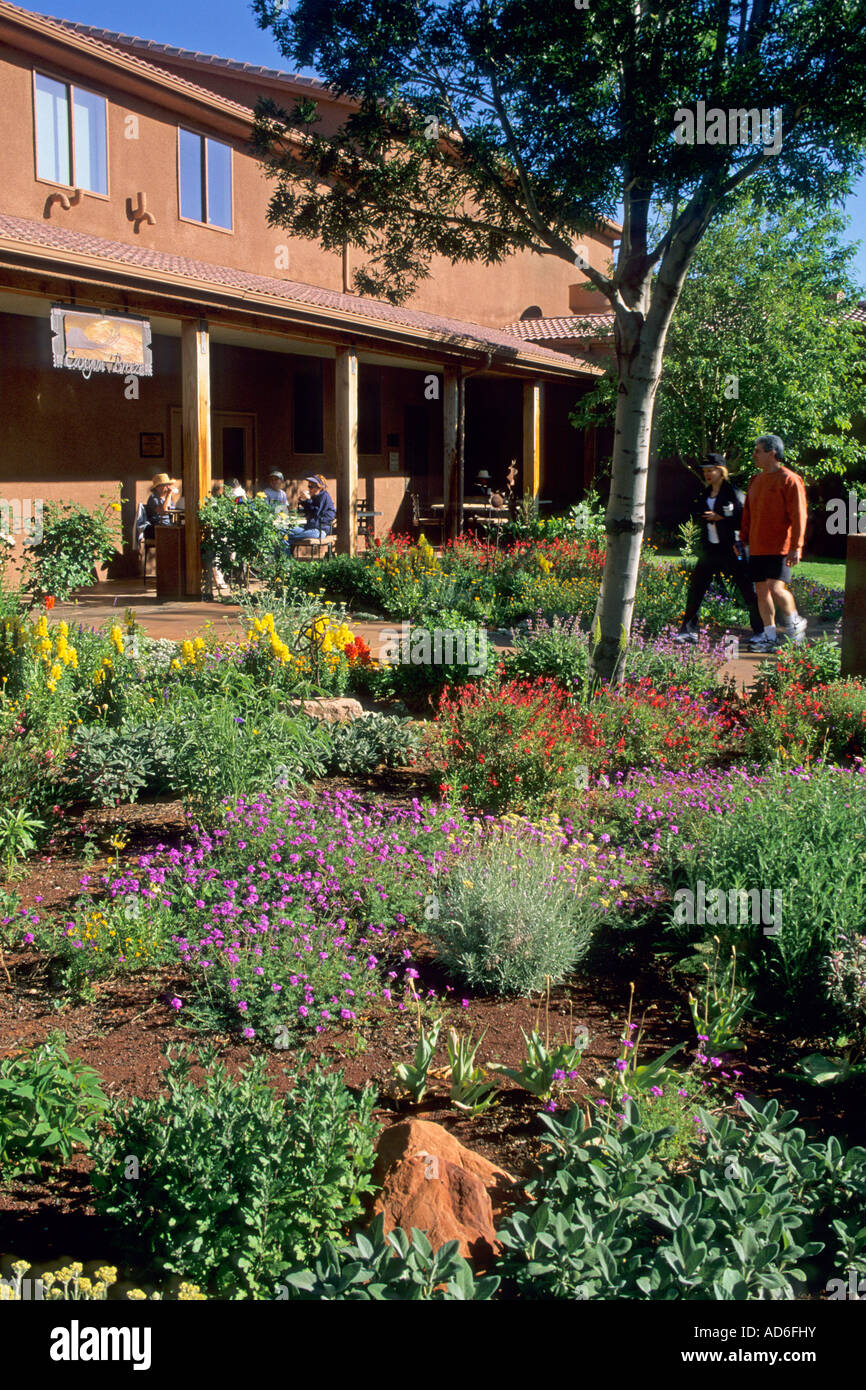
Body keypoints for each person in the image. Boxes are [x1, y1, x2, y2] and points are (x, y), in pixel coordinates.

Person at [674, 454, 763, 644]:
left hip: (732, 548)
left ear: (720, 471)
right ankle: (688, 631)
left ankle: (760, 631)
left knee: (747, 589)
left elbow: (747, 519)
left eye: (710, 470)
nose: (706, 474)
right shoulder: (705, 494)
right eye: (704, 471)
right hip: (710, 549)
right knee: (696, 587)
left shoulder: (734, 493)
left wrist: (722, 517)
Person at [741, 435, 808, 651]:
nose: (754, 455)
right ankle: (769, 636)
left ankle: (795, 623)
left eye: (758, 451)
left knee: (776, 588)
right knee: (761, 590)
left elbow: (799, 516)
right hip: (758, 546)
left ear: (772, 453)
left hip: (781, 547)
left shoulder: (790, 479)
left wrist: (796, 547)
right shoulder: (755, 480)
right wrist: (742, 538)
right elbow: (748, 514)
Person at [286, 475, 336, 553]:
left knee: (286, 537)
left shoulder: (324, 496)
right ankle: (285, 559)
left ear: (319, 487)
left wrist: (308, 500)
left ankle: (285, 560)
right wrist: (303, 500)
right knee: (283, 531)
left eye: (311, 487)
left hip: (319, 531)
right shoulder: (315, 497)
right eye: (309, 486)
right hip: (309, 528)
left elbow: (316, 513)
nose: (309, 489)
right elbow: (308, 511)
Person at [143, 473, 177, 538]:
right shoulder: (153, 498)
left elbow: (172, 510)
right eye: (165, 485)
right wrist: (169, 494)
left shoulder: (167, 498)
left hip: (167, 526)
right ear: (158, 487)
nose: (168, 487)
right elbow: (163, 511)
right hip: (156, 527)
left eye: (168, 484)